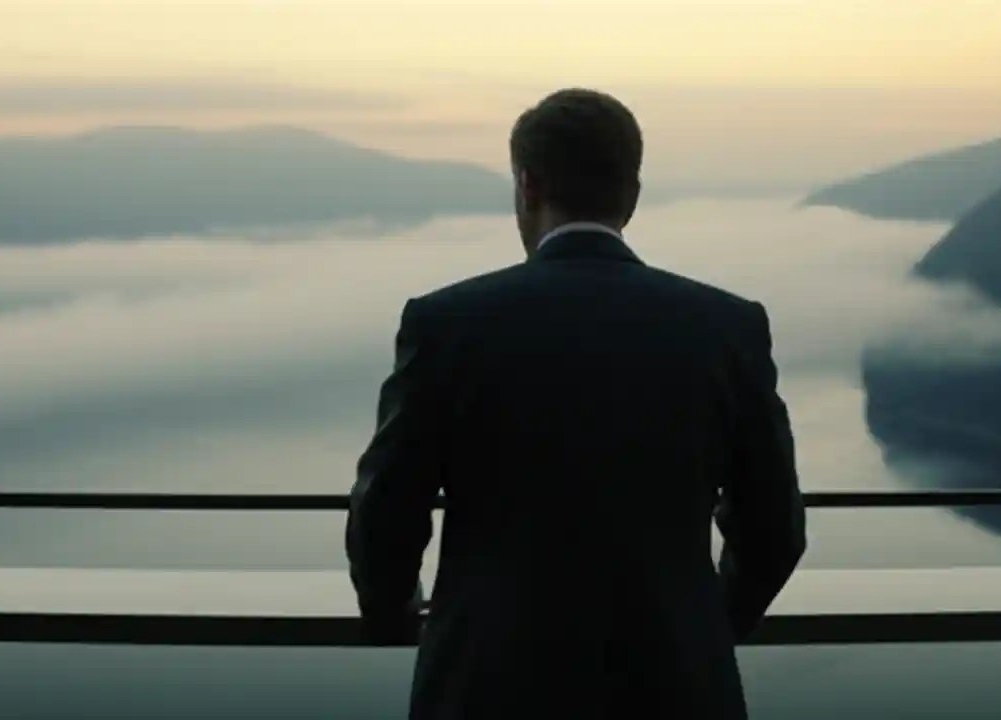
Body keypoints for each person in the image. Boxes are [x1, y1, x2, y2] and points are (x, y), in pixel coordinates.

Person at [345, 88, 806, 720]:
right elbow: (775, 529)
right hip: (676, 691)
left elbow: (386, 515)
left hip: (487, 689)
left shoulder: (447, 325)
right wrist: (700, 627)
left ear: (527, 186)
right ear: (632, 194)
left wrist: (395, 617)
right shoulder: (727, 328)